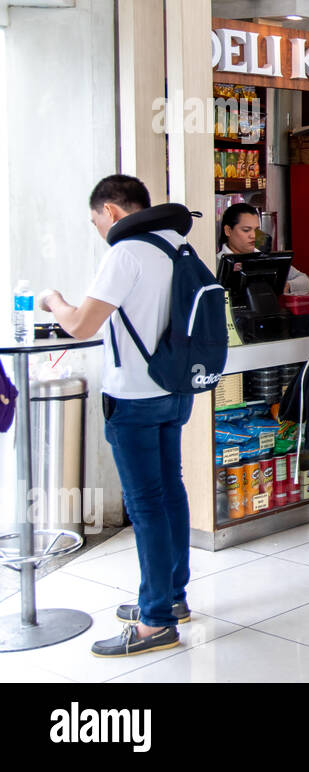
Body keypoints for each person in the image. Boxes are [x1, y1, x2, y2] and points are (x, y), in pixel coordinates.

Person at [40, 175, 193, 657]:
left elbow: (81, 323)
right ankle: (172, 596)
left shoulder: (124, 252)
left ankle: (155, 622)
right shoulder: (177, 245)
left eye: (95, 221)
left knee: (146, 504)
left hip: (134, 398)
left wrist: (52, 301)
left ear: (111, 210)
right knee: (171, 490)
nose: (97, 230)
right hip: (175, 388)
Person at [219, 202, 309, 293]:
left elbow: (305, 281)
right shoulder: (215, 262)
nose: (253, 236)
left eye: (256, 230)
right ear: (228, 230)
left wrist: (286, 286)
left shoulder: (264, 256)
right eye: (246, 230)